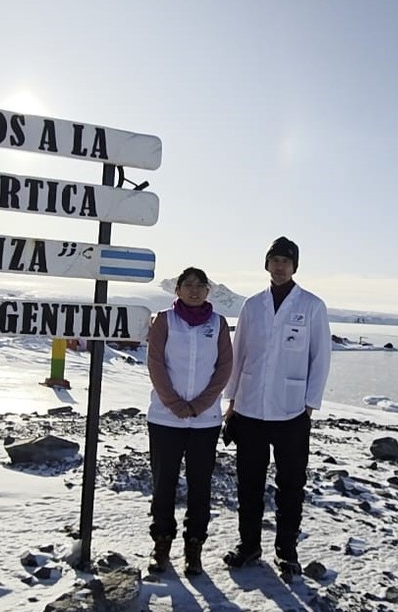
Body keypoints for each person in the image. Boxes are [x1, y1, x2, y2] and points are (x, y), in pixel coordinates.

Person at [221, 236, 332, 578]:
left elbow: (321, 357)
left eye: (286, 261)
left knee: (291, 486)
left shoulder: (312, 306)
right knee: (249, 483)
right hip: (250, 408)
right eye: (275, 260)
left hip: (291, 411)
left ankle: (287, 551)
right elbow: (239, 353)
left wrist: (309, 404)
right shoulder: (252, 305)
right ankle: (249, 545)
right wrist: (232, 401)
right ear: (267, 264)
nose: (280, 266)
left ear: (294, 266)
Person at [145, 267, 233, 576]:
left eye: (200, 285)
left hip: (205, 421)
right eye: (188, 285)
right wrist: (173, 403)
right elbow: (155, 362)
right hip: (164, 419)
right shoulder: (164, 321)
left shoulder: (218, 324)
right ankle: (161, 543)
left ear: (208, 291)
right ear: (178, 289)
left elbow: (224, 367)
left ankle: (194, 546)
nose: (194, 290)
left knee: (200, 485)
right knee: (163, 483)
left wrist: (199, 405)